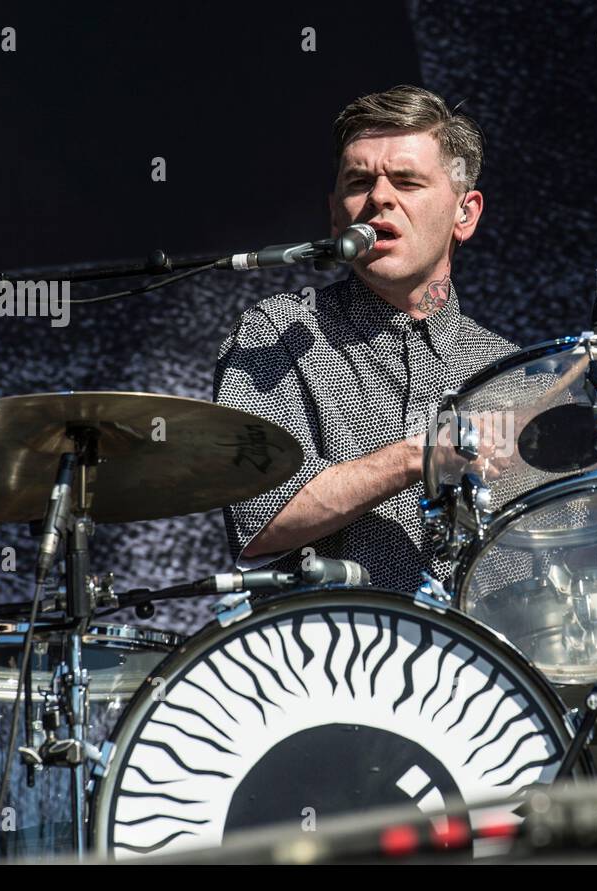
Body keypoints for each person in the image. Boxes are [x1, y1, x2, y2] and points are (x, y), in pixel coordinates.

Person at [213, 85, 517, 592]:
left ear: (465, 214)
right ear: (337, 214)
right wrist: (418, 457)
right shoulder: (277, 332)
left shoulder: (508, 372)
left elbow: (555, 553)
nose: (379, 197)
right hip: (327, 659)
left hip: (475, 664)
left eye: (406, 181)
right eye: (359, 182)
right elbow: (261, 520)